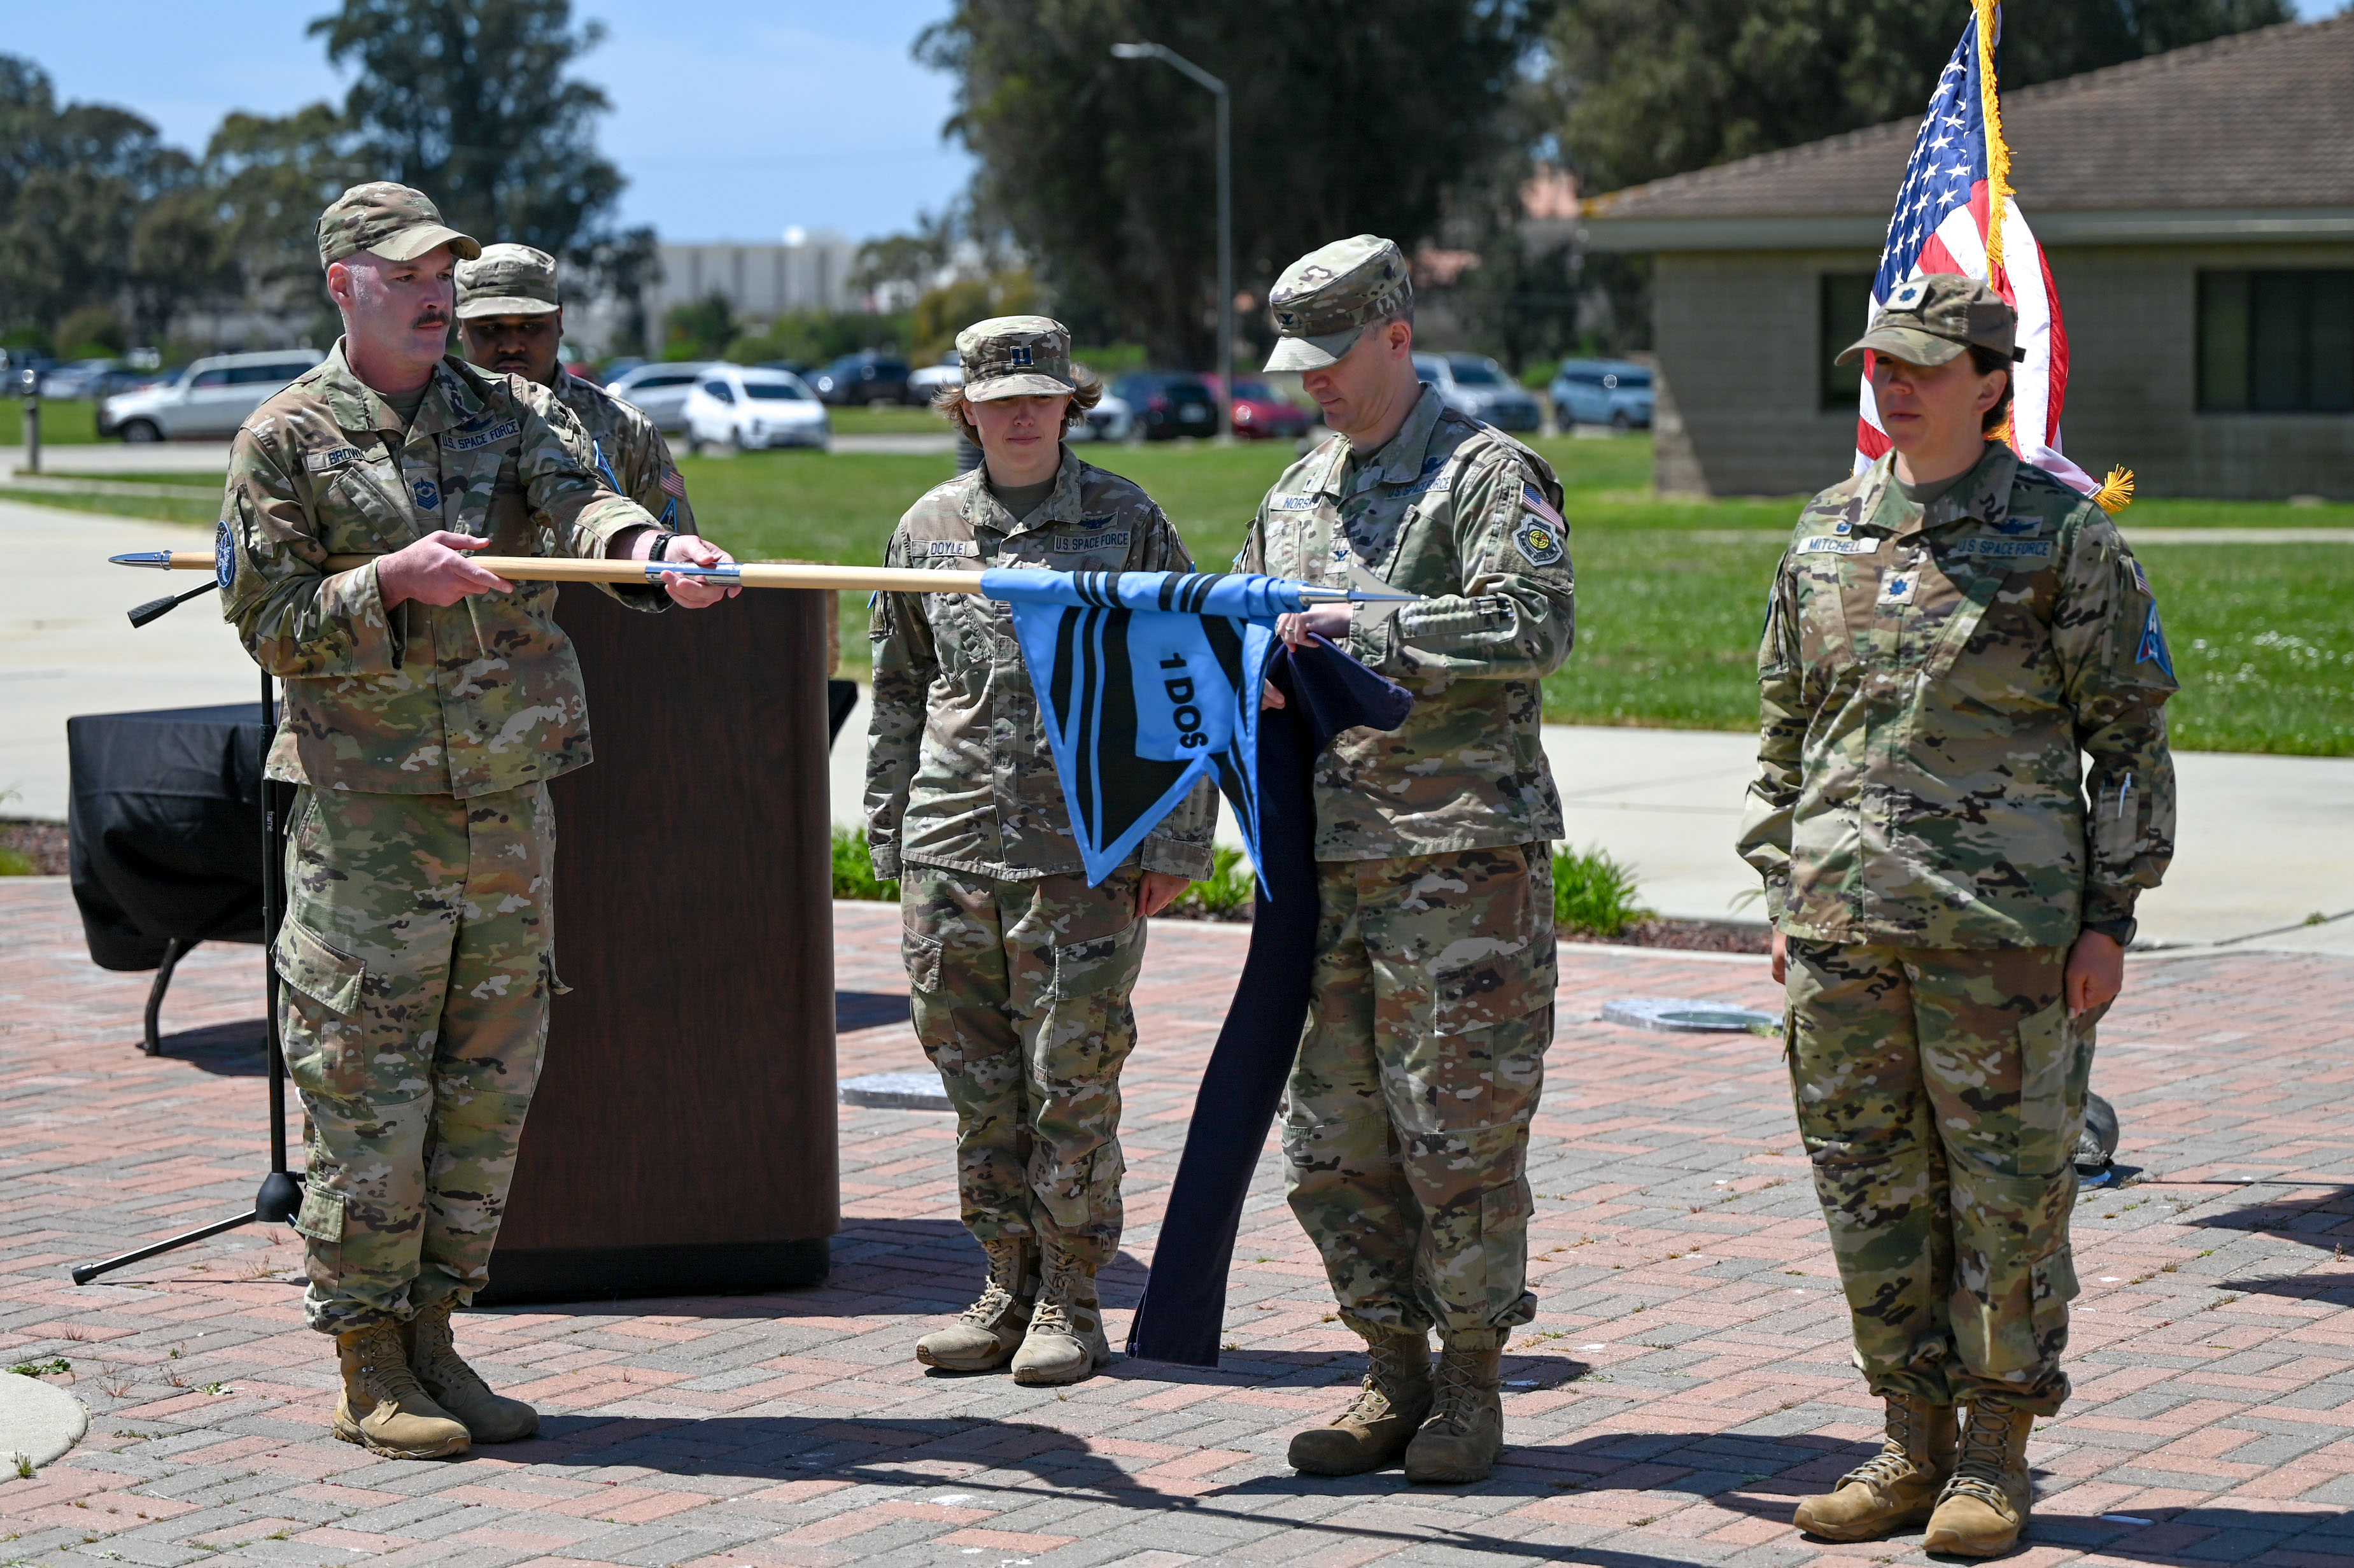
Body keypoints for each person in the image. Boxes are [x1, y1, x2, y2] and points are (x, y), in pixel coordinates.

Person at [218, 182, 739, 1462]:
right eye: (405, 274)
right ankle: (367, 1359)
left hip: (504, 807)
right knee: (367, 1093)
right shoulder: (286, 436)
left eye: (441, 271)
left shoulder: (511, 409)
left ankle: (438, 1334)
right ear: (344, 284)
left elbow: (584, 504)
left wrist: (655, 556)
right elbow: (266, 618)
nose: (435, 294)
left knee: (487, 1090)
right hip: (368, 820)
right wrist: (389, 580)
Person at [1737, 274, 2176, 1556]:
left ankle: (1993, 1449)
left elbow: (2128, 743)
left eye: (1922, 365)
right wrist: (1782, 889)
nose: (1894, 383)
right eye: (1881, 363)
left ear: (1989, 381)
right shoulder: (1824, 529)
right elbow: (1784, 731)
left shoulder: (2060, 535)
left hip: (2002, 939)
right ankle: (1907, 1437)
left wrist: (2107, 917)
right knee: (1867, 1190)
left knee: (2006, 1197)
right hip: (1840, 930)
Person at [1241, 236, 1575, 1483]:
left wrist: (1368, 630)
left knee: (1458, 1136)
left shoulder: (1486, 474)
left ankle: (1470, 1383)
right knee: (1332, 1142)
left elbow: (1533, 621)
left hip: (1457, 864)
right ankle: (1390, 1368)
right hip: (1322, 867)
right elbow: (1246, 628)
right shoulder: (1294, 492)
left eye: (1333, 356)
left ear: (1395, 335)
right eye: (1298, 361)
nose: (1313, 382)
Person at [864, 315, 1215, 1385]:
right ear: (965, 411)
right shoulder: (926, 527)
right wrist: (888, 829)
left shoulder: (1126, 520)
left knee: (1071, 1080)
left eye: (1039, 397)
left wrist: (1176, 838)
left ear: (1070, 404)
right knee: (977, 1085)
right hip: (953, 845)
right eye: (998, 400)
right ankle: (1002, 1285)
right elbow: (899, 687)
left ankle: (1071, 1295)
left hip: (1083, 852)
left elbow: (1184, 676)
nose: (1020, 415)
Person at [454, 242, 695, 533]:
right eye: (490, 328)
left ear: (558, 321)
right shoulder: (429, 421)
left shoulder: (626, 428)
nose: (512, 345)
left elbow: (671, 548)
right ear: (460, 325)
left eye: (530, 326)